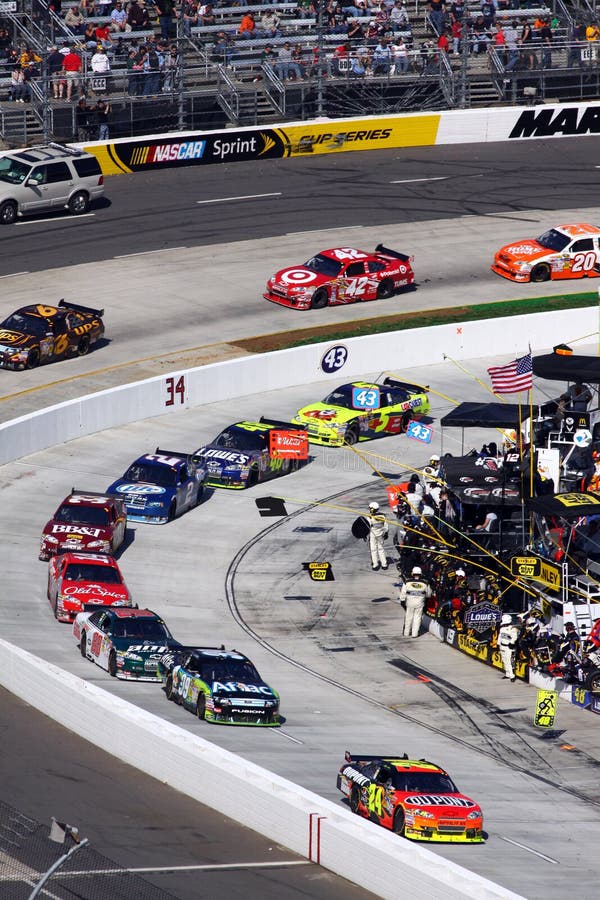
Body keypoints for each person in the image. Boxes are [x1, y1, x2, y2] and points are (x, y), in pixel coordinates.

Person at [400, 566, 432, 637]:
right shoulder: (425, 583)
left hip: (409, 603)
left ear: (412, 573)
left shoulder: (407, 582)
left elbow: (403, 592)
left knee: (408, 617)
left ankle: (406, 633)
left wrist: (402, 600)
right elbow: (428, 594)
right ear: (420, 574)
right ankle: (415, 634)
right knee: (417, 618)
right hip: (420, 603)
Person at [367, 501, 388, 570]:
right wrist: (386, 533)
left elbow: (368, 526)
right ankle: (384, 564)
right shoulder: (383, 516)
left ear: (372, 509)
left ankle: (375, 565)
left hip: (373, 534)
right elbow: (386, 525)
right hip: (381, 533)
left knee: (373, 550)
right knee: (381, 549)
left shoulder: (370, 517)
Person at [498, 613, 519, 681]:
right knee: (504, 660)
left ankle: (512, 676)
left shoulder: (512, 629)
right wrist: (498, 644)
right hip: (502, 646)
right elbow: (500, 637)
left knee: (509, 661)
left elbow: (514, 637)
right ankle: (507, 674)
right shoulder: (502, 628)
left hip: (508, 647)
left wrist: (511, 643)